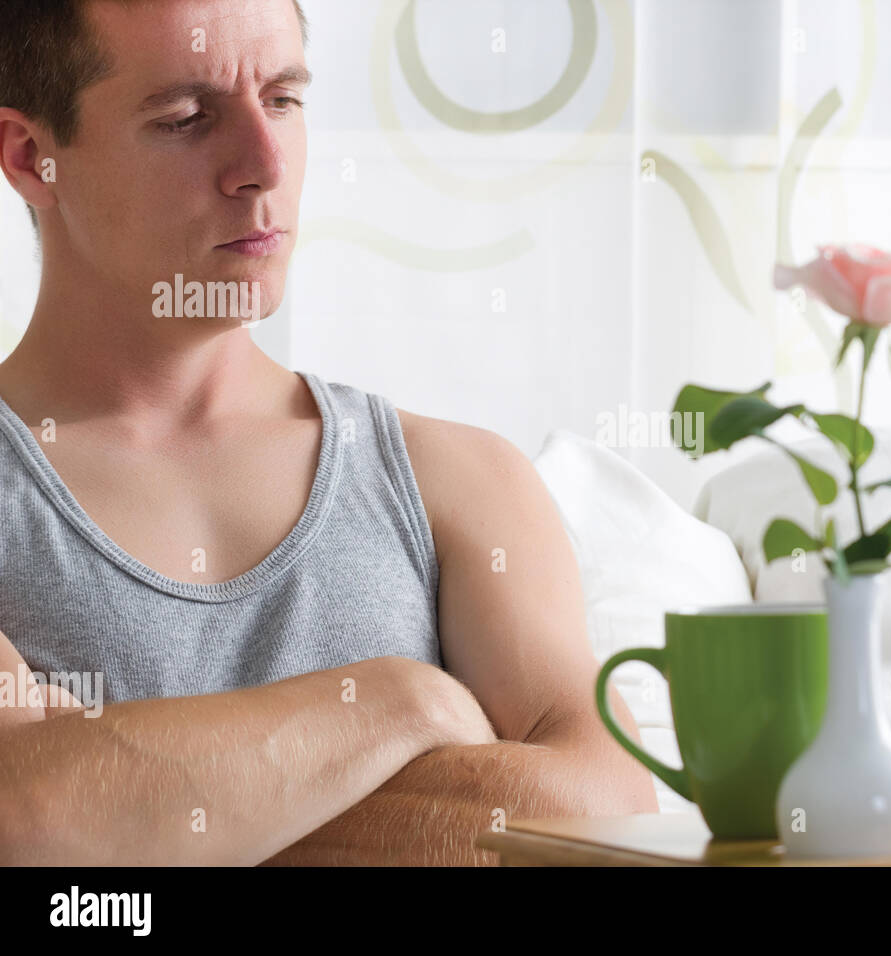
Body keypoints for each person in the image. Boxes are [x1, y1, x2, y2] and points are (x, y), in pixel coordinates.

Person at [0, 0, 657, 865]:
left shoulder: (456, 478)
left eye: (282, 99)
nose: (264, 164)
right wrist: (399, 704)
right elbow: (29, 813)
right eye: (185, 118)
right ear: (30, 157)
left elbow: (605, 816)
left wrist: (149, 819)